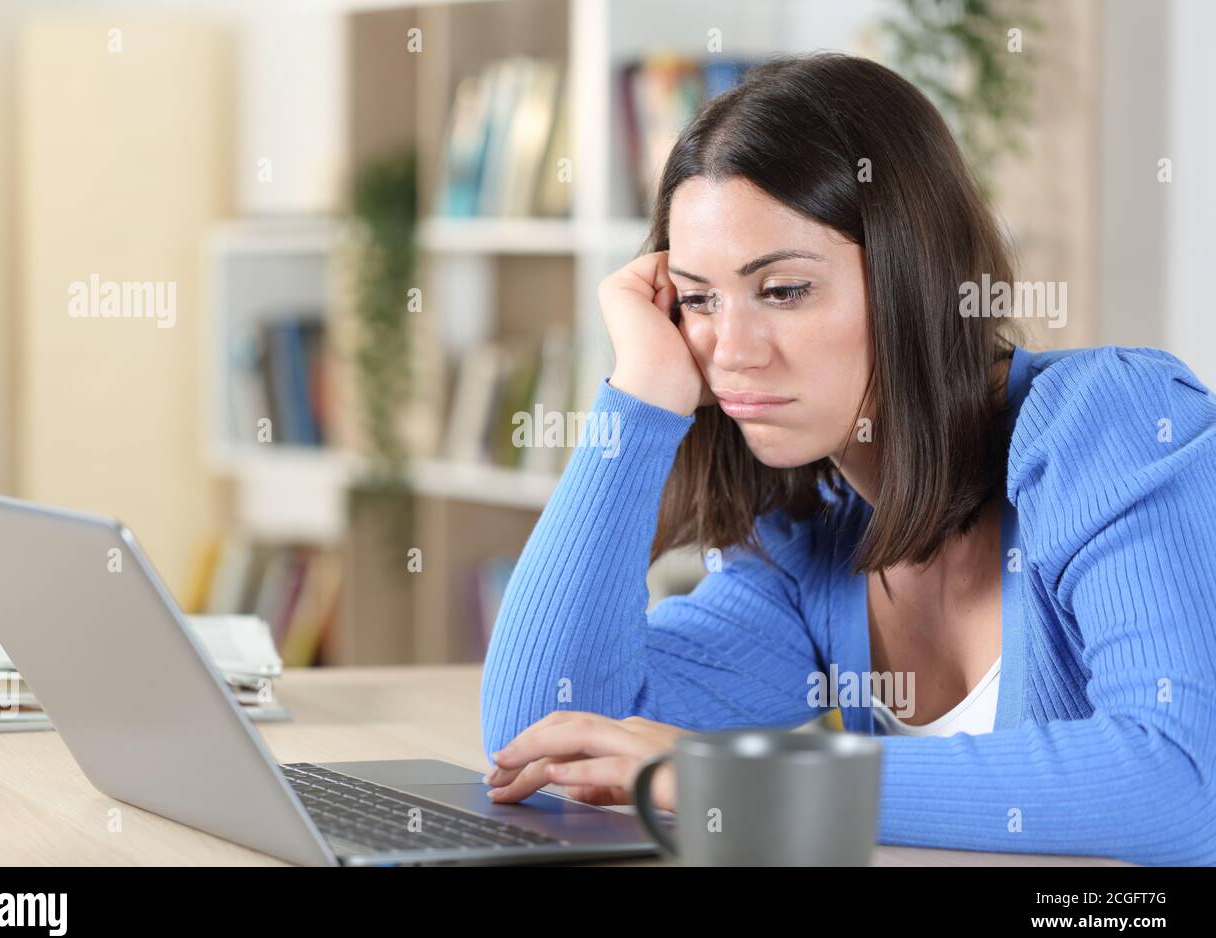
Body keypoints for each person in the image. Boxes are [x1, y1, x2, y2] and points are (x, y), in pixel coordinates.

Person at [478, 52, 1216, 865]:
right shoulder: (810, 550)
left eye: (784, 290)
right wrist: (641, 396)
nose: (731, 351)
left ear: (916, 276)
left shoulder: (1113, 421)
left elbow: (1180, 781)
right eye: (697, 298)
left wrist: (730, 778)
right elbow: (541, 743)